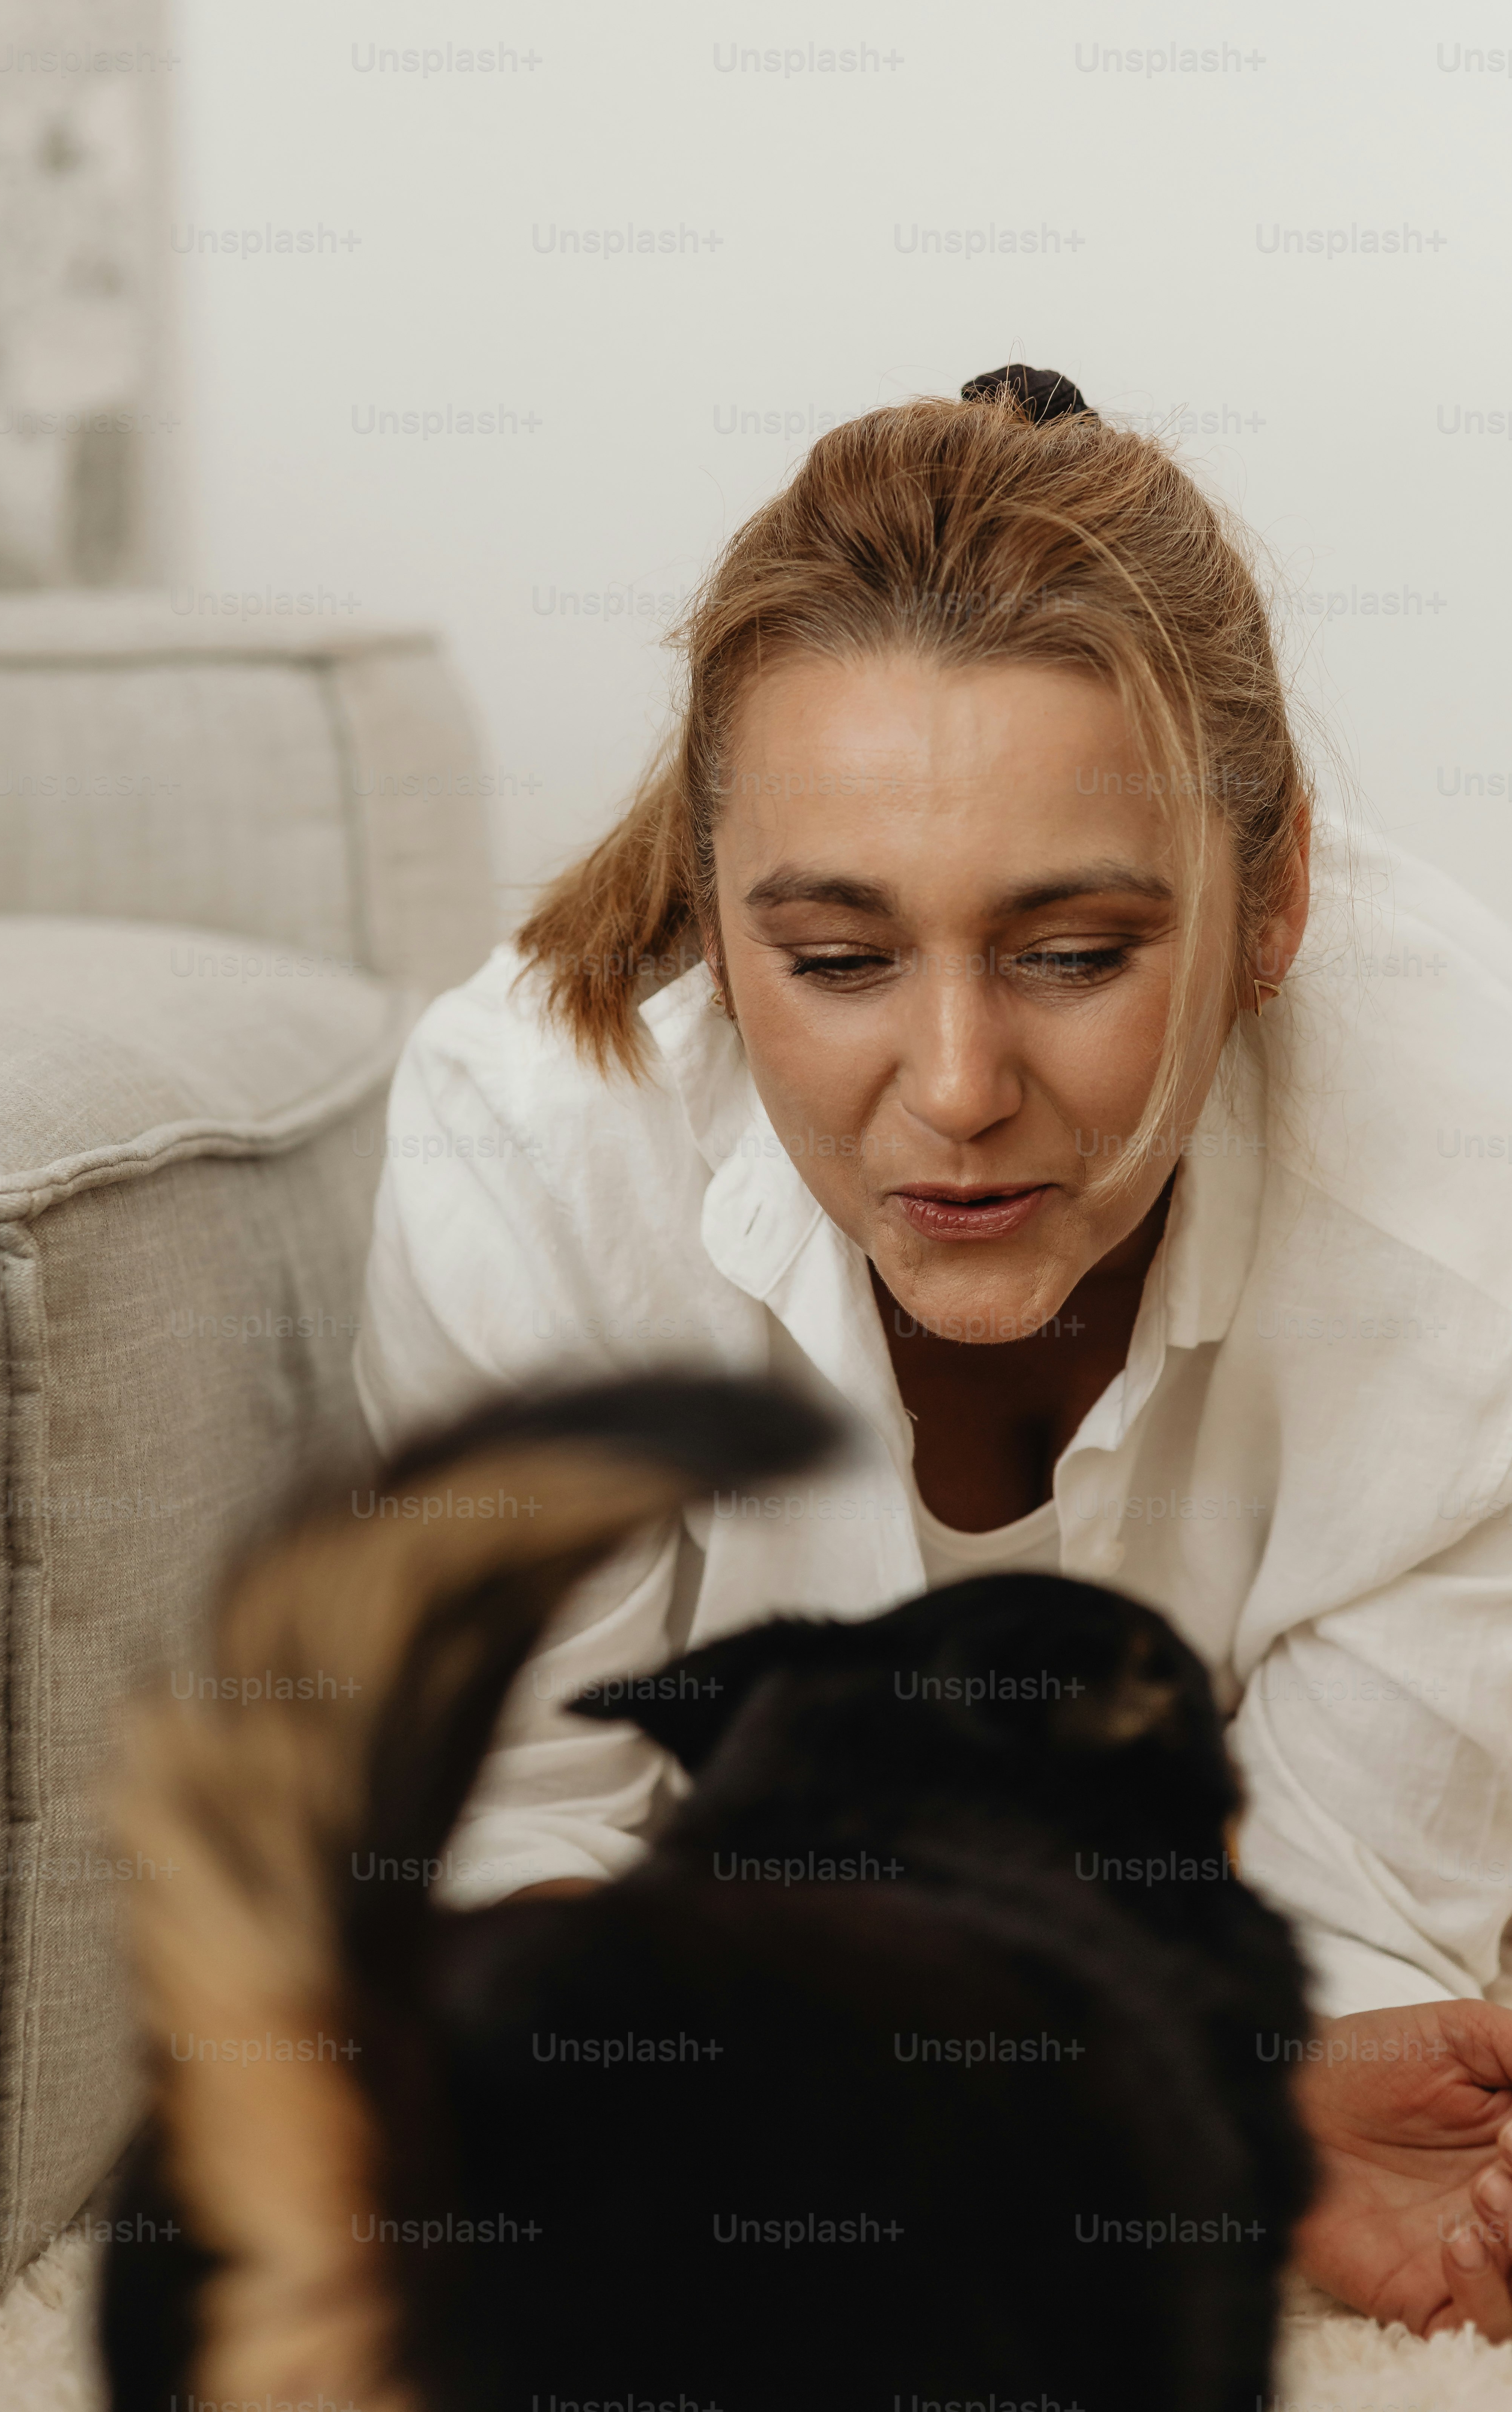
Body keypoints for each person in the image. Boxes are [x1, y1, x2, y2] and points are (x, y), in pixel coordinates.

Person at [353, 366, 1512, 2340]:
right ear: (717, 925)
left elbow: (1345, 1940)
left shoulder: (1467, 1195)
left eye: (1071, 956)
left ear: (1273, 907)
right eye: (836, 962)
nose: (959, 1090)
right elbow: (510, 1861)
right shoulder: (535, 1146)